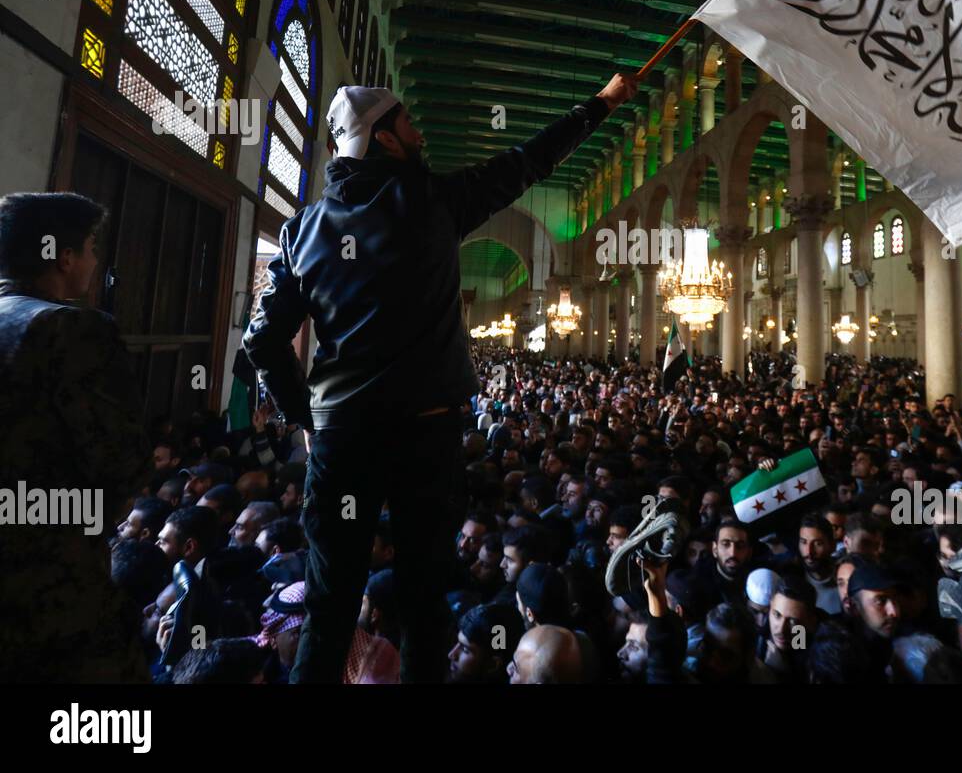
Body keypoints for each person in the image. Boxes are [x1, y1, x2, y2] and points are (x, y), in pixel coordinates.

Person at [243, 74, 637, 683]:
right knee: (425, 605)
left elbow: (262, 341)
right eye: (407, 123)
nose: (419, 132)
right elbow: (527, 161)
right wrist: (602, 105)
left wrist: (306, 417)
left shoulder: (301, 232)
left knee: (329, 607)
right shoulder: (435, 202)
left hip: (343, 439)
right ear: (383, 139)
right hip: (424, 438)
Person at [0, 192, 151, 681]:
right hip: (46, 584)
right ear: (64, 257)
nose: (93, 259)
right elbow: (121, 464)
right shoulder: (72, 330)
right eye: (89, 247)